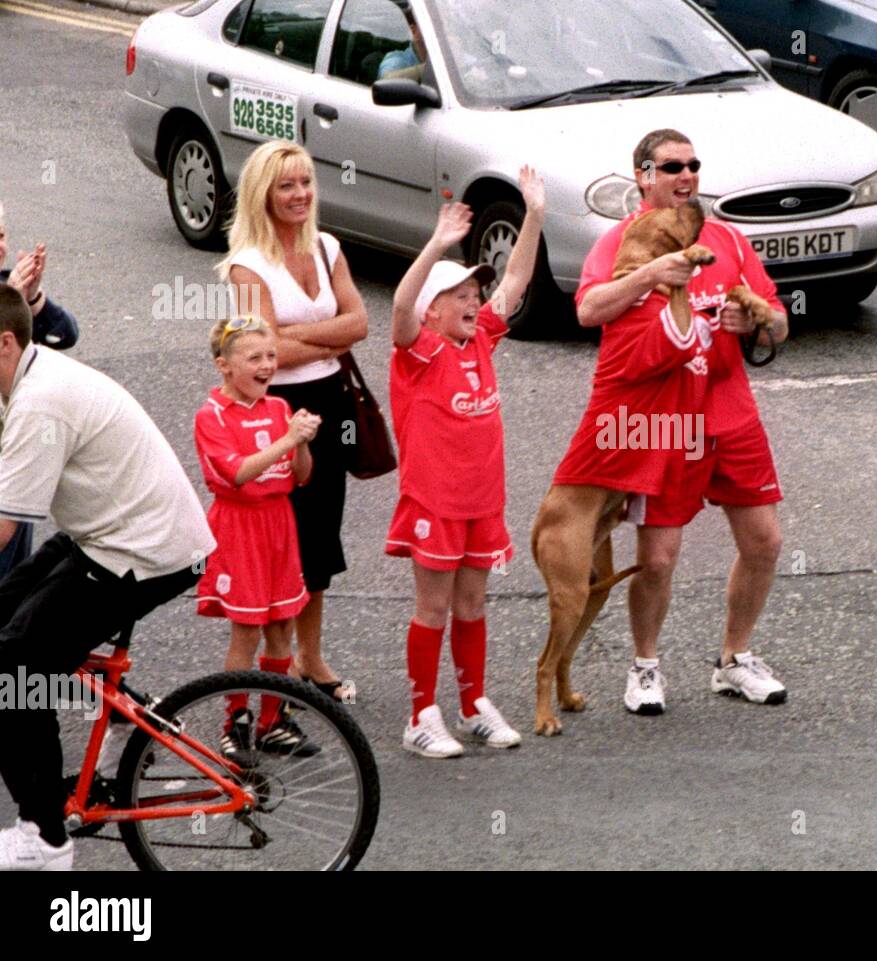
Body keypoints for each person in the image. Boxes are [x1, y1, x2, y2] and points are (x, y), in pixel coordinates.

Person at [0, 286, 216, 870]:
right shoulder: (26, 375)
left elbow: (3, 526)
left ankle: (44, 837)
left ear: (3, 343)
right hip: (109, 533)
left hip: (143, 551)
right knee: (11, 619)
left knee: (15, 665)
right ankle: (124, 716)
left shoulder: (39, 403)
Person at [576, 129, 790, 715]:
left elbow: (778, 319)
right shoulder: (622, 241)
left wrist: (757, 324)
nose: (686, 176)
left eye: (693, 165)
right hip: (666, 423)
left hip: (731, 413)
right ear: (643, 176)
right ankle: (645, 667)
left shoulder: (724, 238)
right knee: (659, 558)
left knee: (765, 542)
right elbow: (589, 308)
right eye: (672, 167)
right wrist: (652, 274)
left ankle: (734, 661)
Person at [385, 167, 544, 757]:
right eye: (461, 297)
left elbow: (519, 279)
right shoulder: (418, 351)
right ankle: (420, 714)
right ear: (433, 312)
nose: (476, 303)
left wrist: (534, 214)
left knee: (473, 604)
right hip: (435, 502)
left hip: (483, 501)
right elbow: (400, 307)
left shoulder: (479, 340)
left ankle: (473, 702)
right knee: (433, 606)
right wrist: (436, 245)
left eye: (476, 295)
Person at [218, 140, 369, 704]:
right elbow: (263, 352)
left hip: (330, 401)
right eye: (286, 185)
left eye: (305, 182)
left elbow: (359, 324)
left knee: (321, 529)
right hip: (276, 409)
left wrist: (293, 336)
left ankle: (311, 654)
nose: (300, 193)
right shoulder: (248, 265)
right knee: (283, 532)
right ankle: (267, 664)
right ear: (264, 194)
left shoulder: (328, 247)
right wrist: (309, 337)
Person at [194, 316, 322, 758]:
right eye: (254, 358)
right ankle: (236, 721)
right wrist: (288, 441)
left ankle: (272, 720)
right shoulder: (211, 417)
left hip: (279, 523)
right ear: (223, 366)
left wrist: (301, 444)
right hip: (239, 528)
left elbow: (301, 477)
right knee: (247, 630)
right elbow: (237, 475)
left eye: (270, 356)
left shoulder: (278, 409)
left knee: (281, 623)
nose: (267, 365)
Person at [0, 199, 81, 579]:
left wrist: (30, 299)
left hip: (13, 460)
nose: (0, 247)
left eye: (0, 235)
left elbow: (64, 334)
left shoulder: (7, 284)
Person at [378, 0, 429, 82]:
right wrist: (428, 69)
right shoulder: (398, 61)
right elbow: (387, 81)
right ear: (413, 31)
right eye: (432, 25)